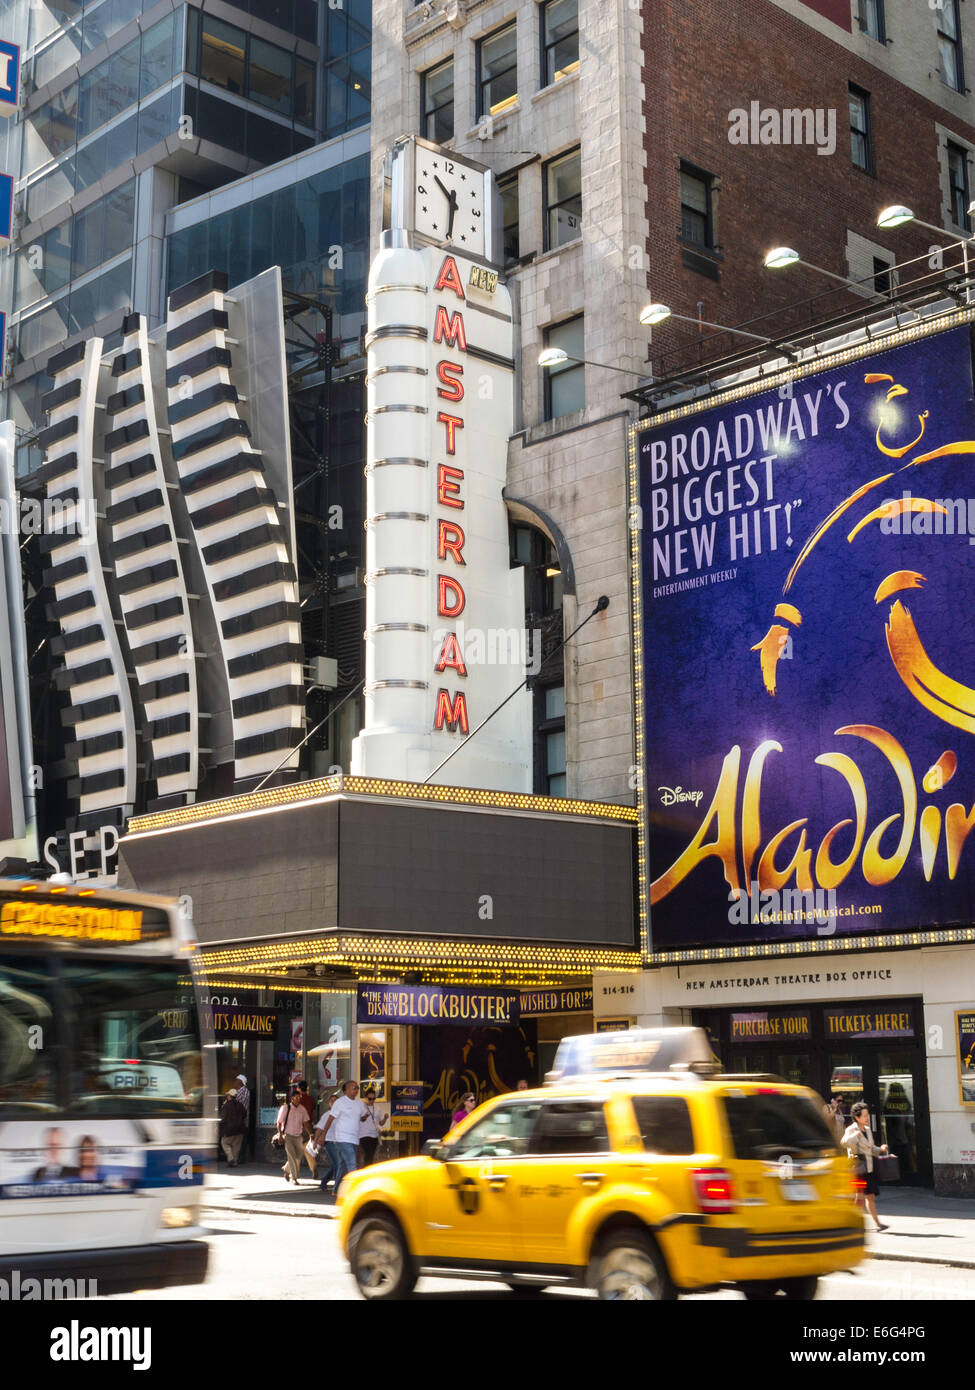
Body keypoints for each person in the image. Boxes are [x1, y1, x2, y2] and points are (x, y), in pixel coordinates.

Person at [843, 1100, 889, 1232]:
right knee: (859, 1197)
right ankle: (852, 1223)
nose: (867, 1118)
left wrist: (880, 1149)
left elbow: (870, 1148)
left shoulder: (867, 1130)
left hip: (868, 1168)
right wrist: (855, 1136)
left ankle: (878, 1224)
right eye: (864, 1116)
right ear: (857, 1117)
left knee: (870, 1196)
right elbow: (844, 1143)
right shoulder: (851, 1129)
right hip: (857, 1170)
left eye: (867, 1115)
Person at [317, 1080, 369, 1190]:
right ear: (346, 1091)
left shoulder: (359, 1103)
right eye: (353, 1088)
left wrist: (365, 1117)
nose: (356, 1090)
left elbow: (362, 1118)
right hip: (342, 1138)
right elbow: (330, 1119)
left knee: (342, 1165)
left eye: (357, 1088)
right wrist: (323, 1135)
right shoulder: (340, 1102)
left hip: (354, 1139)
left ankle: (336, 1189)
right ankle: (354, 1189)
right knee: (352, 1163)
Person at [276, 1085, 311, 1185]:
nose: (298, 1099)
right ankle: (294, 1178)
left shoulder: (302, 1109)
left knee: (298, 1156)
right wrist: (280, 1135)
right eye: (296, 1098)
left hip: (298, 1136)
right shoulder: (285, 1108)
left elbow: (306, 1123)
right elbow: (279, 1122)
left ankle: (286, 1169)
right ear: (292, 1099)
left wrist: (311, 1134)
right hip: (288, 1136)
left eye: (299, 1098)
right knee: (291, 1156)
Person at [315, 1092, 341, 1192]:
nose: (333, 1102)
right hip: (329, 1141)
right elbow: (319, 1128)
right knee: (338, 1163)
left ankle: (324, 1181)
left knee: (335, 1164)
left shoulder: (342, 1114)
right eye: (331, 1101)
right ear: (329, 1103)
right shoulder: (327, 1115)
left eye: (335, 1100)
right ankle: (338, 1186)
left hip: (340, 1141)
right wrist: (315, 1140)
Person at [294, 1081, 318, 1178]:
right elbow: (313, 1113)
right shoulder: (311, 1099)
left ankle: (294, 1172)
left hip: (298, 1127)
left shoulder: (297, 1099)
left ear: (298, 1088)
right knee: (307, 1149)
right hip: (309, 1126)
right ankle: (313, 1167)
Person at [359, 1088, 388, 1165]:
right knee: (368, 1153)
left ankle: (368, 1168)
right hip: (364, 1134)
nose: (372, 1100)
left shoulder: (377, 1108)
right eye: (370, 1099)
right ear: (365, 1098)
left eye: (374, 1098)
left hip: (374, 1135)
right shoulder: (361, 1107)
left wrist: (385, 1118)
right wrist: (364, 1117)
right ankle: (366, 1169)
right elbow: (360, 1119)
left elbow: (381, 1123)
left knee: (371, 1155)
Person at [219, 1087, 248, 1167]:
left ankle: (230, 1158)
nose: (227, 1096)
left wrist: (219, 1126)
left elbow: (223, 1118)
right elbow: (245, 1114)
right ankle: (234, 1162)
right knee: (236, 1147)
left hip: (229, 1129)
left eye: (227, 1095)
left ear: (229, 1096)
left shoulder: (226, 1105)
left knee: (224, 1143)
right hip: (240, 1129)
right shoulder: (240, 1104)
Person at [235, 1074, 251, 1164]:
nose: (234, 1082)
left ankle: (240, 1158)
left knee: (240, 1139)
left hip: (241, 1120)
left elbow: (238, 1104)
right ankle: (240, 1157)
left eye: (236, 1080)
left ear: (240, 1082)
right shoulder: (242, 1091)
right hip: (242, 1120)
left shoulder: (243, 1091)